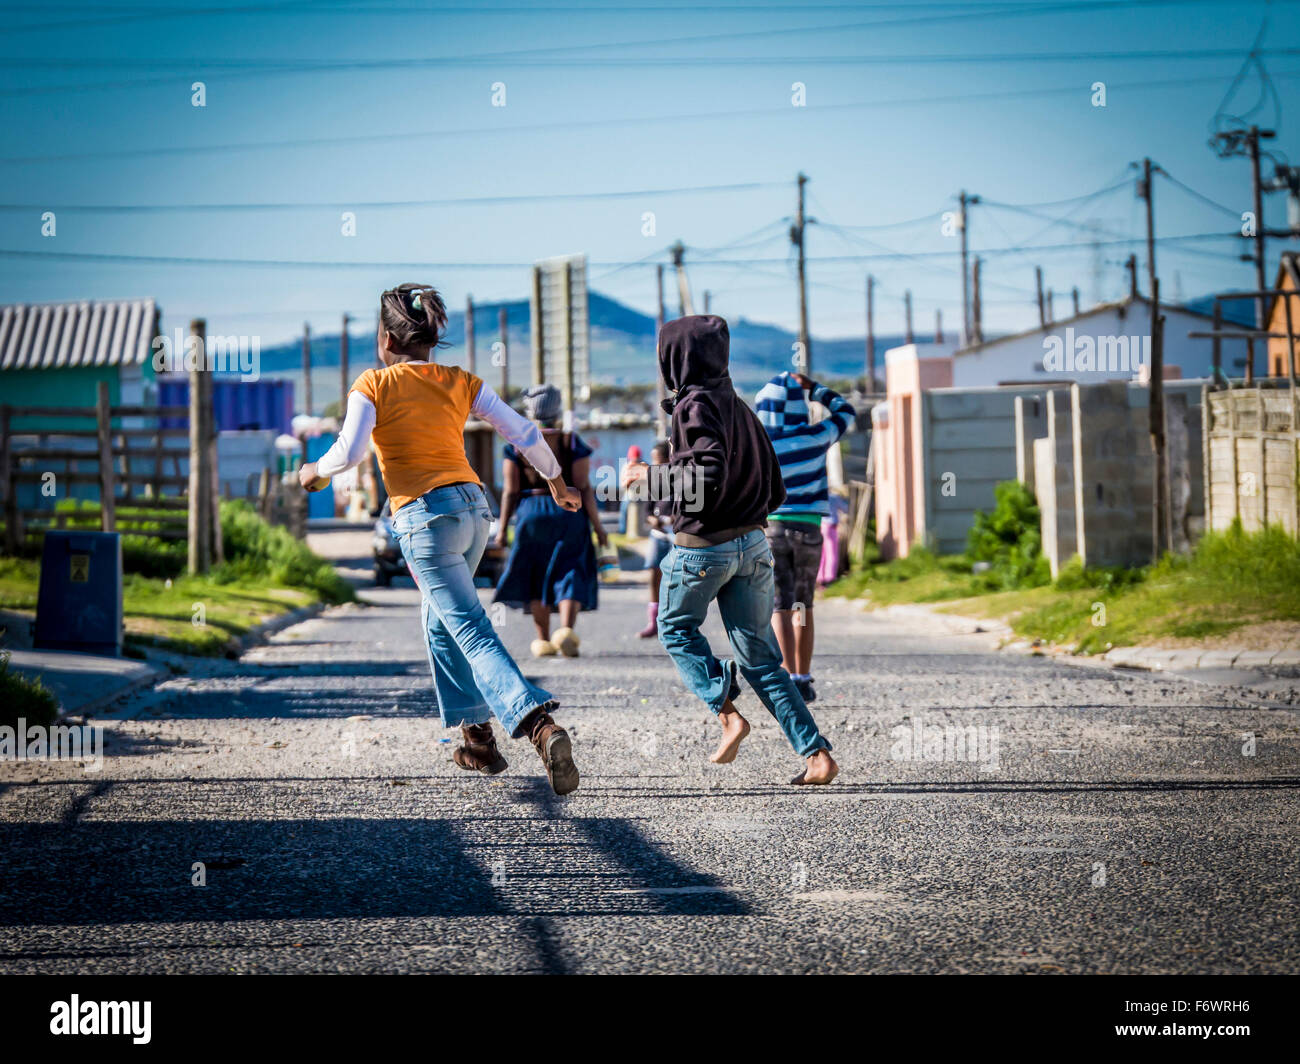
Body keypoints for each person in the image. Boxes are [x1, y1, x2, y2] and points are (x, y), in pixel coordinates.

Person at [300, 283, 580, 796]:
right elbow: (522, 431)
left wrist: (310, 472)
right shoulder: (461, 380)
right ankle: (478, 741)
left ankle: (539, 724)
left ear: (386, 338)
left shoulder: (374, 383)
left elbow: (349, 451)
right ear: (430, 340)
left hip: (425, 519)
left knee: (469, 627)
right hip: (474, 511)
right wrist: (557, 482)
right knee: (439, 623)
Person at [623, 315, 837, 786]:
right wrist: (746, 517)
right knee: (762, 658)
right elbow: (776, 491)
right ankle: (817, 755)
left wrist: (648, 478)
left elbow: (707, 474)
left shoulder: (692, 407)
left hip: (702, 548)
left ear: (675, 358)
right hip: (754, 546)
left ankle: (727, 713)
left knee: (675, 628)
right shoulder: (741, 409)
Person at [754, 371, 856, 704]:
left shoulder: (760, 442)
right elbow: (846, 413)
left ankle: (786, 676)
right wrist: (816, 390)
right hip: (810, 529)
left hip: (772, 529)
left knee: (779, 605)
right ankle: (803, 677)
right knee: (803, 603)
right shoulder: (816, 436)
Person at [492, 383, 608, 658]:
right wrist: (598, 527)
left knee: (535, 573)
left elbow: (510, 491)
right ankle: (566, 632)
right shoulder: (571, 442)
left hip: (530, 512)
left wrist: (502, 529)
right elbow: (583, 487)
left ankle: (542, 640)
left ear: (531, 410)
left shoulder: (518, 444)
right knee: (570, 569)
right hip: (569, 509)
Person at [636, 439, 672, 638]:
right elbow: (648, 512)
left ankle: (673, 620)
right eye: (653, 462)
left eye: (659, 462)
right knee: (654, 573)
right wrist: (654, 520)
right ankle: (653, 619)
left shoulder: (680, 481)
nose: (655, 466)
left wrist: (673, 519)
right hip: (659, 535)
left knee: (677, 578)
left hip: (675, 536)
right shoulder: (653, 483)